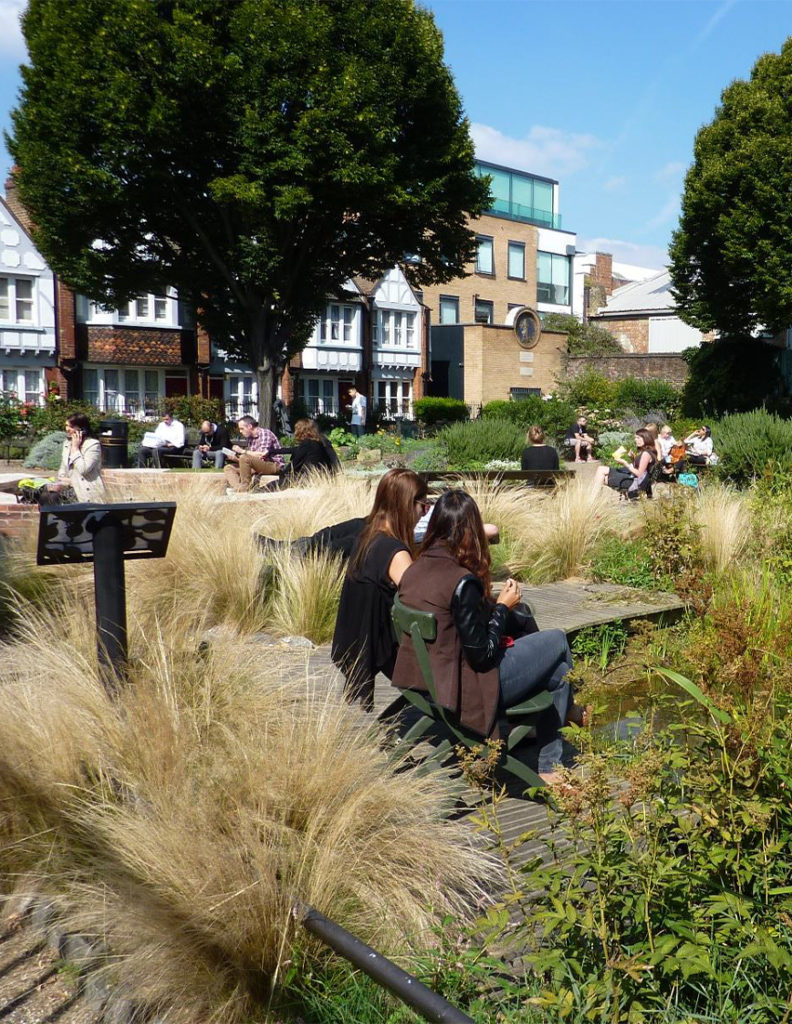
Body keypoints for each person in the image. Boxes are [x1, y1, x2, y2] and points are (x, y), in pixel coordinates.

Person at [391, 489, 581, 784]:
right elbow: (482, 655)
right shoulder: (461, 581)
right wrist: (502, 608)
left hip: (428, 681)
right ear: (470, 530)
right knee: (557, 640)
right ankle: (563, 729)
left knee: (557, 672)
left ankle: (551, 757)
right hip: (467, 690)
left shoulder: (415, 569)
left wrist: (495, 609)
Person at [331, 468, 428, 711]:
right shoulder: (394, 553)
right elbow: (426, 606)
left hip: (364, 648)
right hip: (406, 660)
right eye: (422, 506)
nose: (424, 512)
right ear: (407, 505)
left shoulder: (366, 539)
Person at [43, 413, 105, 503]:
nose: (67, 429)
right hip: (70, 488)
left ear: (82, 429)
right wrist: (62, 479)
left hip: (86, 491)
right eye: (66, 426)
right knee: (44, 496)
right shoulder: (67, 444)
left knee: (52, 498)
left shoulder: (92, 445)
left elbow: (83, 469)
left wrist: (75, 449)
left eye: (71, 427)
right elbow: (63, 468)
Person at [223, 415, 284, 492]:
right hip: (258, 465)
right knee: (229, 468)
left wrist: (242, 451)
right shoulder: (250, 438)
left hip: (273, 465)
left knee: (244, 458)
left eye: (242, 428)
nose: (240, 431)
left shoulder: (265, 433)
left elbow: (262, 455)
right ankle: (238, 488)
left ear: (250, 426)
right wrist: (236, 459)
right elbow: (251, 458)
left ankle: (245, 487)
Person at [274, 418, 339, 484]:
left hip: (309, 479)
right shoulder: (322, 441)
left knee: (272, 485)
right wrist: (273, 451)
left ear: (301, 431)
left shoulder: (307, 444)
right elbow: (293, 449)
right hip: (325, 477)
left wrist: (283, 474)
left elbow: (294, 464)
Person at [594, 428, 656, 497]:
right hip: (635, 478)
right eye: (635, 438)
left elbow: (640, 474)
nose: (636, 440)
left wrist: (625, 463)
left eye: (638, 438)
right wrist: (632, 458)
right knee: (601, 470)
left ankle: (593, 500)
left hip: (636, 482)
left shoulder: (646, 454)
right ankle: (594, 499)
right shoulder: (645, 451)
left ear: (646, 438)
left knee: (602, 476)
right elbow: (639, 468)